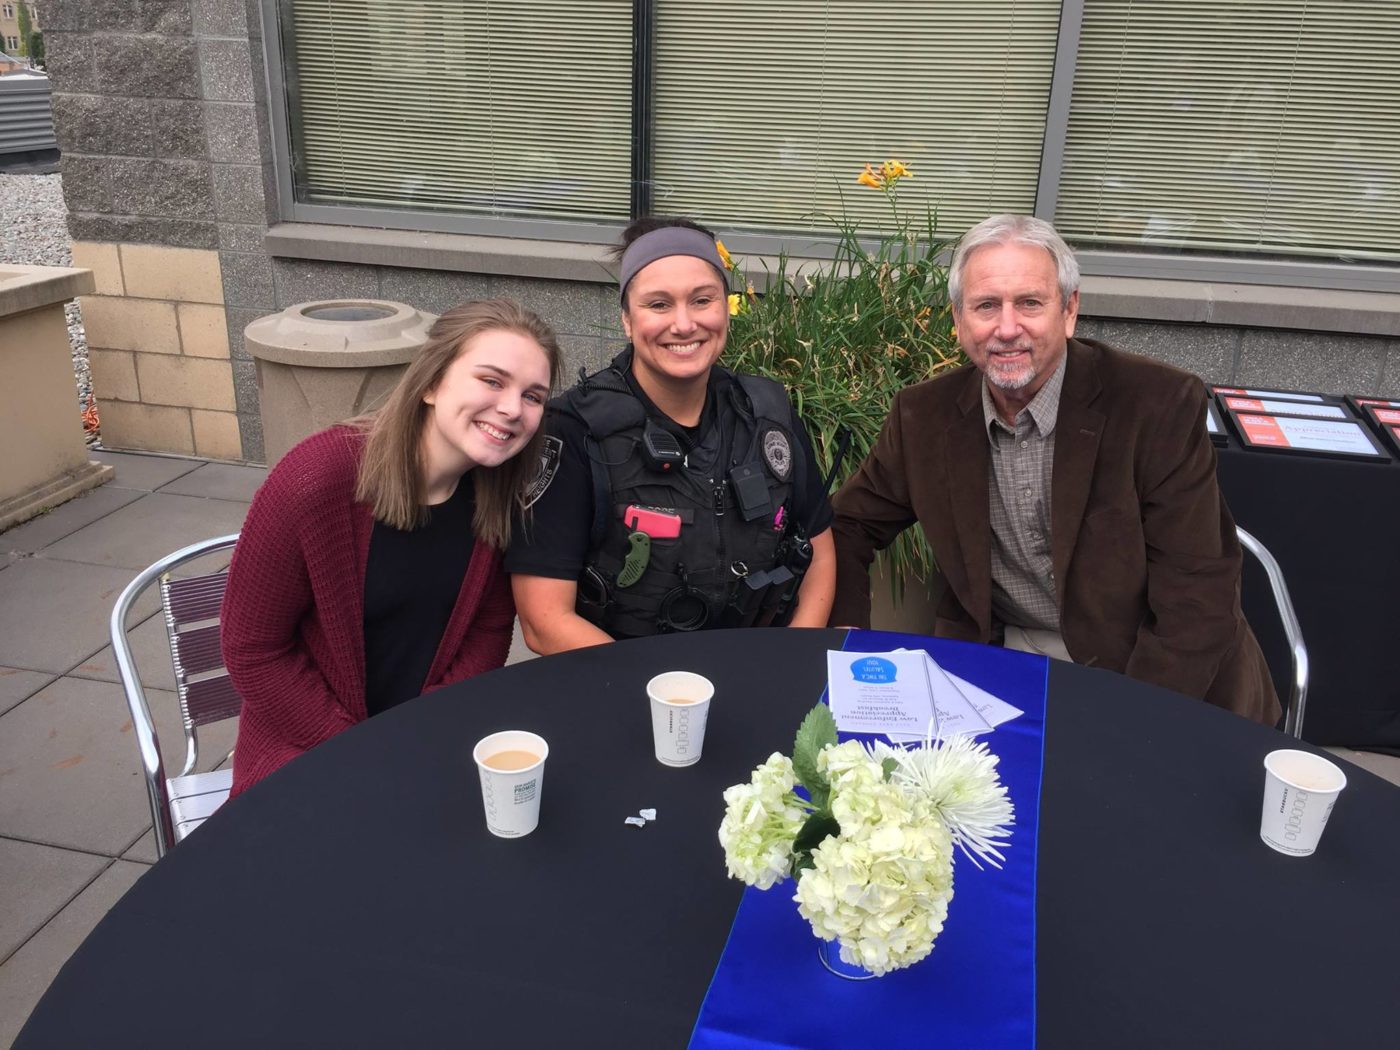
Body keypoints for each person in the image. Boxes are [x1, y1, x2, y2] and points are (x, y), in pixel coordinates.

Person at [829, 214, 1279, 725]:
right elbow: (847, 524)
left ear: (1069, 311)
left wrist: (1135, 722)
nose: (1006, 329)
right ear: (958, 320)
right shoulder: (924, 416)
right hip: (1003, 661)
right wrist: (850, 641)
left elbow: (1198, 590)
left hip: (1149, 666)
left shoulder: (1156, 404)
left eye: (1029, 303)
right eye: (986, 306)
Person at [223, 300, 562, 795]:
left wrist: (421, 734)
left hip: (431, 747)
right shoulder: (318, 478)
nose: (512, 408)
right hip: (308, 757)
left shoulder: (498, 497)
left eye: (533, 396)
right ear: (431, 383)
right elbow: (253, 650)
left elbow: (487, 631)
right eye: (492, 380)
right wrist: (366, 752)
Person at [506, 217, 836, 652]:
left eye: (702, 300)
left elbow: (819, 553)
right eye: (658, 304)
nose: (683, 324)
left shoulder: (767, 414)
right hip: (618, 676)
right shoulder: (573, 431)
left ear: (725, 308)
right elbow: (544, 620)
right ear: (627, 319)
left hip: (759, 664)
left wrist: (793, 657)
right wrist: (665, 686)